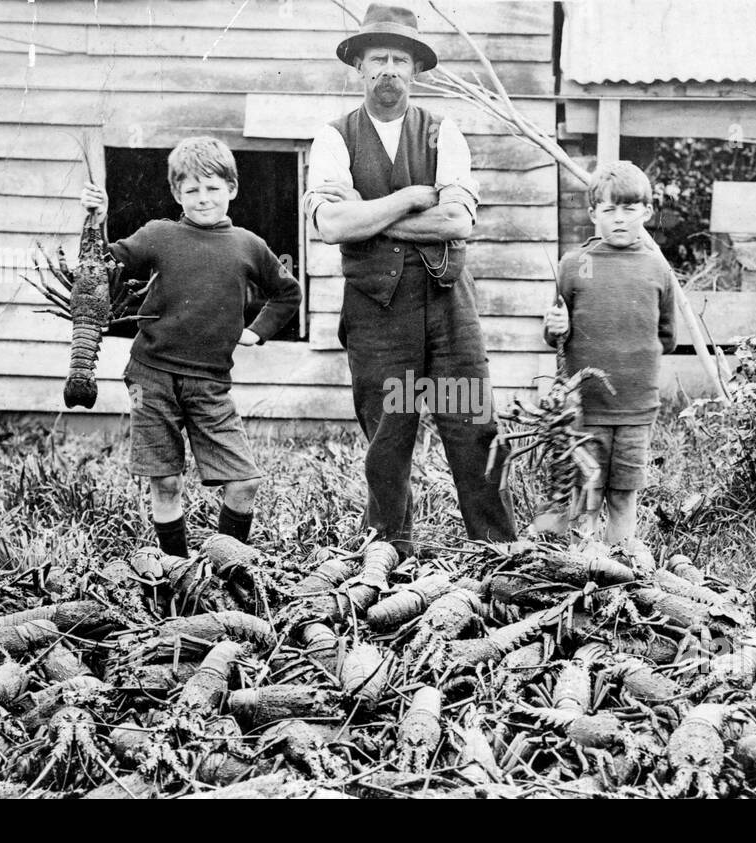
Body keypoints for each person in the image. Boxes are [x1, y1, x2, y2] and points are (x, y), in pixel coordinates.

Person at [303, 3, 516, 555]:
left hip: (447, 309)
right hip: (378, 314)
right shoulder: (333, 138)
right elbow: (331, 224)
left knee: (472, 430)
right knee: (388, 437)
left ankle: (497, 554)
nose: (388, 70)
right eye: (377, 59)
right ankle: (388, 556)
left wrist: (370, 213)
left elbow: (457, 220)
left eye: (400, 59)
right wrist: (408, 198)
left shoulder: (444, 133)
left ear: (416, 69)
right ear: (358, 65)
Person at [80, 137, 302, 555]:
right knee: (165, 481)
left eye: (213, 188)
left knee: (245, 481)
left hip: (210, 382)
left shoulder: (248, 245)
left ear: (232, 189)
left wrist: (255, 331)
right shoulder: (158, 236)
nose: (203, 199)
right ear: (176, 193)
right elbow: (99, 269)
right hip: (152, 374)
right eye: (192, 190)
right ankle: (175, 569)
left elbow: (287, 293)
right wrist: (97, 219)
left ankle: (224, 565)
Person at [544, 161, 679, 544]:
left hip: (637, 409)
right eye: (608, 210)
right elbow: (554, 332)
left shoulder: (658, 269)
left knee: (623, 494)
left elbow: (666, 337)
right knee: (586, 493)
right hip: (586, 407)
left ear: (648, 212)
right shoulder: (574, 266)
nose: (619, 219)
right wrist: (555, 327)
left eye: (629, 209)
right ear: (592, 214)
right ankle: (582, 566)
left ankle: (619, 569)